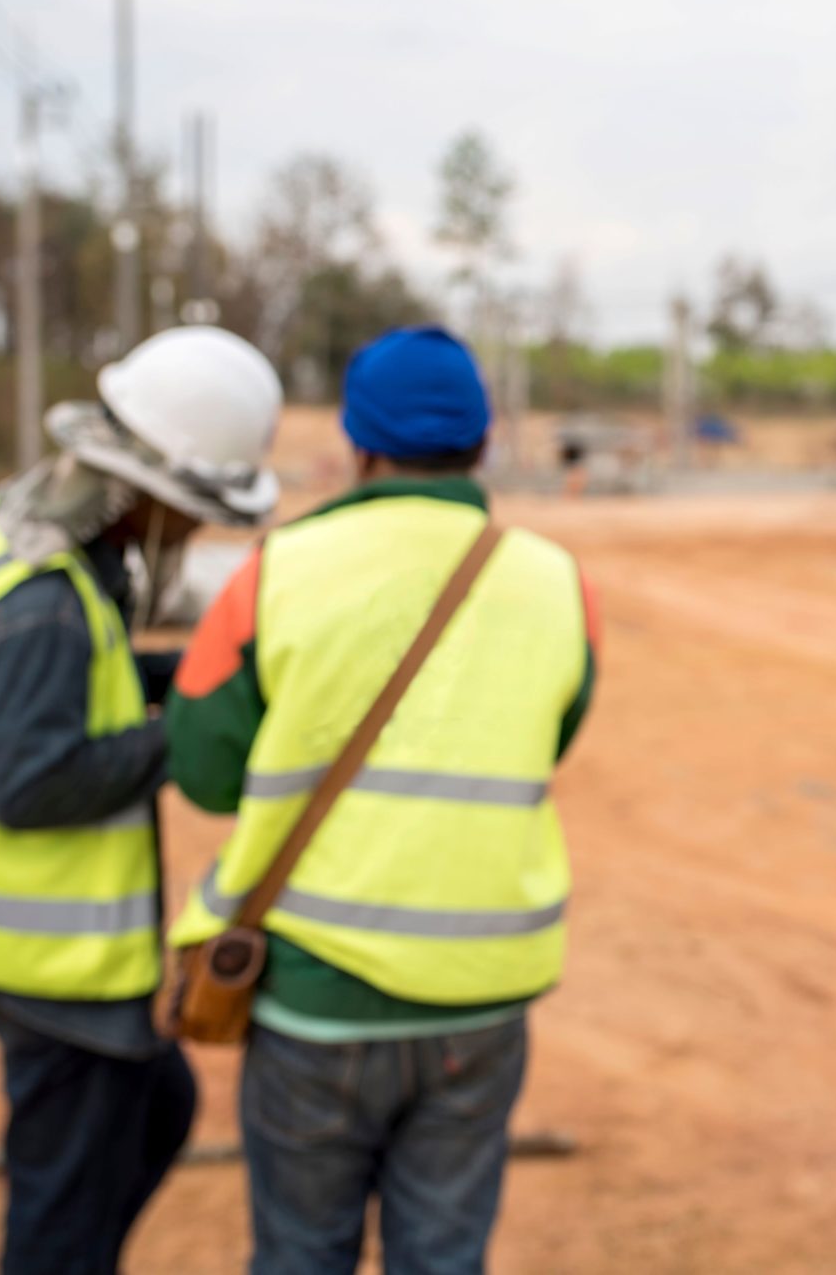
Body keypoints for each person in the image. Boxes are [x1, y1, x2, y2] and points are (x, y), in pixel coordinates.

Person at [167, 325, 597, 1275]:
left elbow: (200, 769)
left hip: (314, 1001)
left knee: (299, 1253)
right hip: (481, 1006)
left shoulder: (275, 572)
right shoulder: (559, 584)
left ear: (359, 445)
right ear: (483, 445)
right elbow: (549, 735)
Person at [0, 326, 285, 1275]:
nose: (192, 531)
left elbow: (80, 683)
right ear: (145, 488)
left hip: (26, 946)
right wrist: (189, 733)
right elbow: (33, 780)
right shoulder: (42, 599)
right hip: (47, 964)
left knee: (153, 1110)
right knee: (63, 1202)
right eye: (190, 510)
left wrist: (181, 676)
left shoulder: (31, 527)